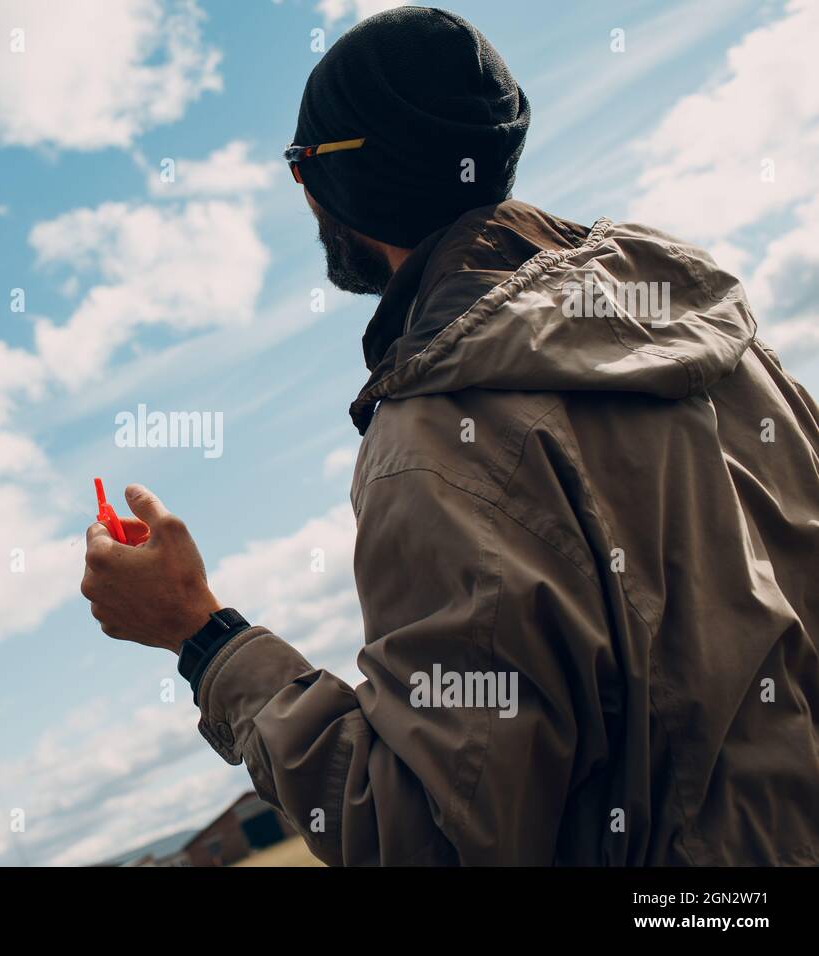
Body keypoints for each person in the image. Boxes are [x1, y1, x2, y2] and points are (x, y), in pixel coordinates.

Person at [80, 6, 819, 865]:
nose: (299, 190)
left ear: (344, 187)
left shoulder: (434, 441)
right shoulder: (716, 341)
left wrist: (200, 634)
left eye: (299, 165)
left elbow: (434, 835)